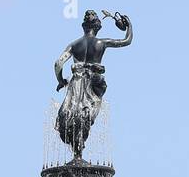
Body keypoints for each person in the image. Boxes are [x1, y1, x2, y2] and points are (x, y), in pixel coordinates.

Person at [54, 10, 133, 157]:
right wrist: (128, 25)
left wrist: (60, 81)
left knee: (71, 114)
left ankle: (76, 150)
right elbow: (126, 41)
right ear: (97, 27)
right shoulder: (101, 42)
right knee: (87, 115)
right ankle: (79, 149)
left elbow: (58, 64)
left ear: (84, 27)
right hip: (95, 82)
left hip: (76, 82)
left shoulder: (74, 45)